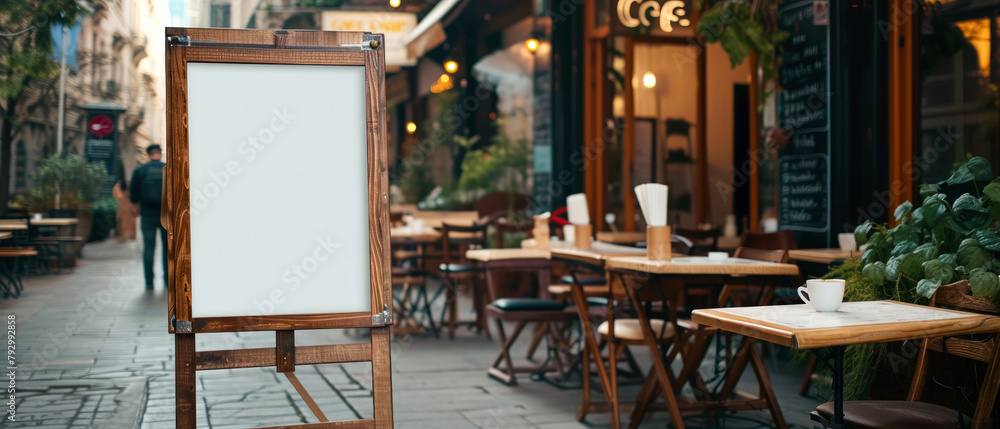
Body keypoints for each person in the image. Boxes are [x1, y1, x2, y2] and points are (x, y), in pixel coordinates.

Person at [130, 145, 167, 289]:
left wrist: (137, 205)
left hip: (147, 215)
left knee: (149, 248)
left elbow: (134, 195)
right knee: (168, 249)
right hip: (166, 215)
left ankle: (149, 282)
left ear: (148, 155)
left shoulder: (140, 171)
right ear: (160, 153)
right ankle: (168, 280)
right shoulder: (169, 168)